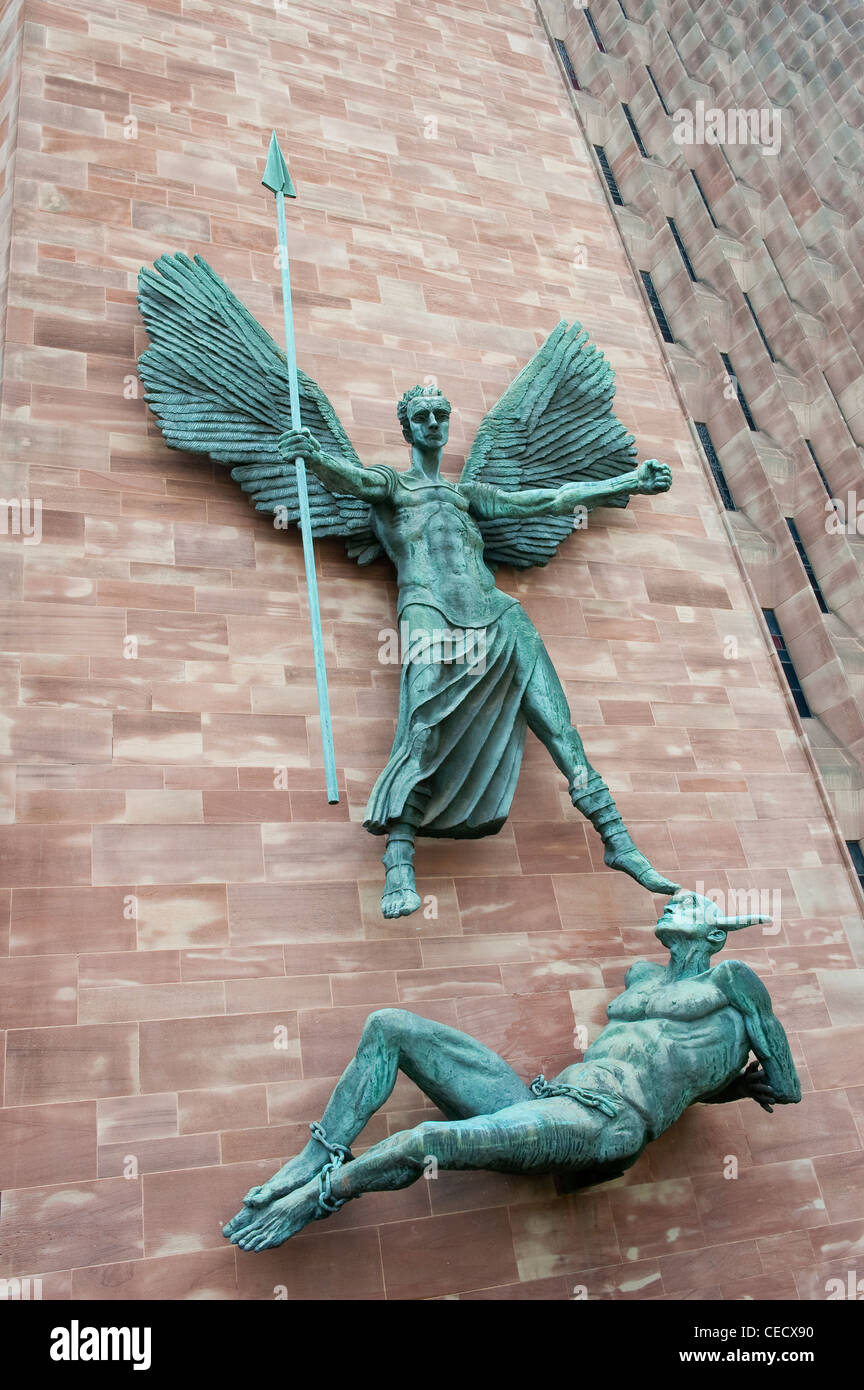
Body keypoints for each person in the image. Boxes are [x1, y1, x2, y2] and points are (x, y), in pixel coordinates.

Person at [276, 385, 679, 919]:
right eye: (421, 416)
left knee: (561, 728)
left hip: (500, 616)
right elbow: (348, 480)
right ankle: (399, 859)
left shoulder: (469, 497)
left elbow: (551, 499)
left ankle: (619, 841)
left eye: (442, 413)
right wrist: (315, 457)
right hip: (431, 616)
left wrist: (629, 483)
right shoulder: (391, 486)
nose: (433, 423)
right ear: (406, 427)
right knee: (421, 732)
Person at [224, 890, 800, 1252]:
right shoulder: (639, 979)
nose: (674, 903)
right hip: (546, 1097)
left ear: (718, 935)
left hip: (607, 1124)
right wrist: (720, 1086)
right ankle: (317, 1155)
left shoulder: (733, 981)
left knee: (428, 1139)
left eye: (691, 905)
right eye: (672, 900)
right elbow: (666, 1058)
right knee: (389, 1024)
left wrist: (730, 1086)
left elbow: (784, 1086)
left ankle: (311, 1200)